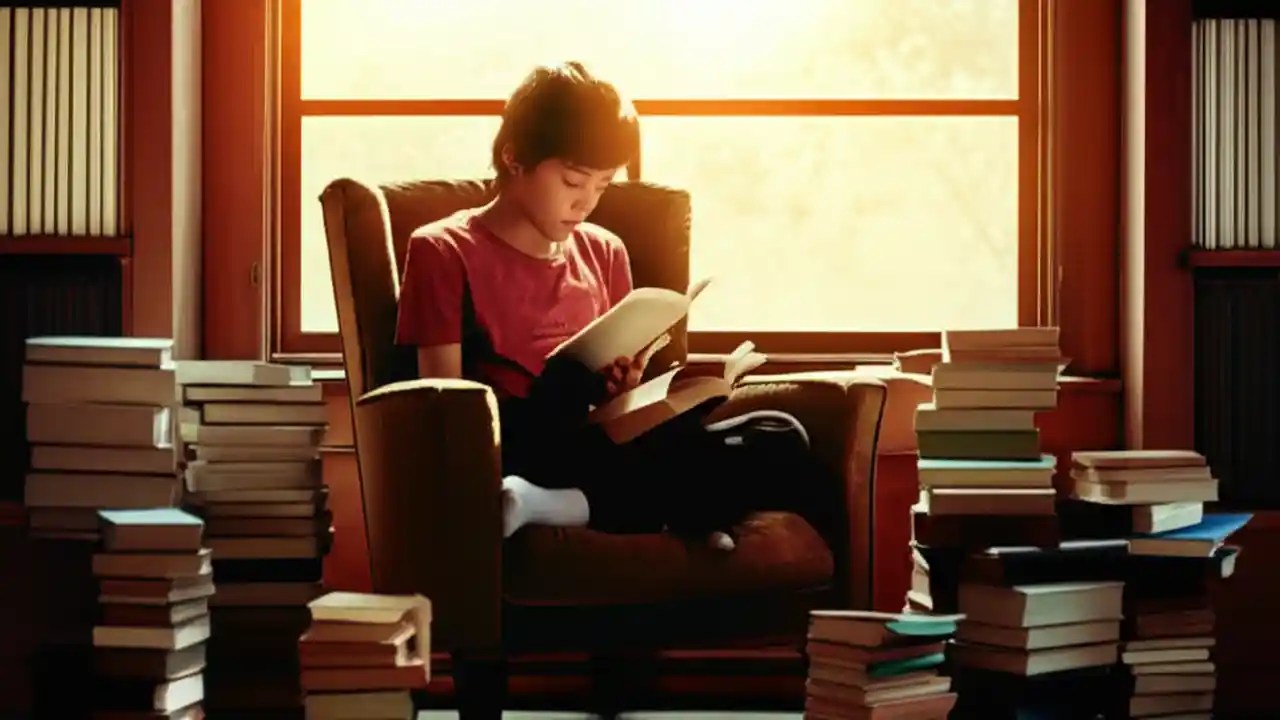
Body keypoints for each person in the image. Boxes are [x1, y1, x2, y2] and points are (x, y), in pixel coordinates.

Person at [394, 61, 829, 549]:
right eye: (574, 182)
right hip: (516, 441)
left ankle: (540, 504)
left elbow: (617, 409)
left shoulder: (605, 250)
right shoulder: (442, 250)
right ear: (515, 159)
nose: (586, 204)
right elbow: (445, 407)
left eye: (602, 186)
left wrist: (626, 389)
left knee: (782, 438)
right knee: (567, 381)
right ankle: (692, 512)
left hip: (604, 444)